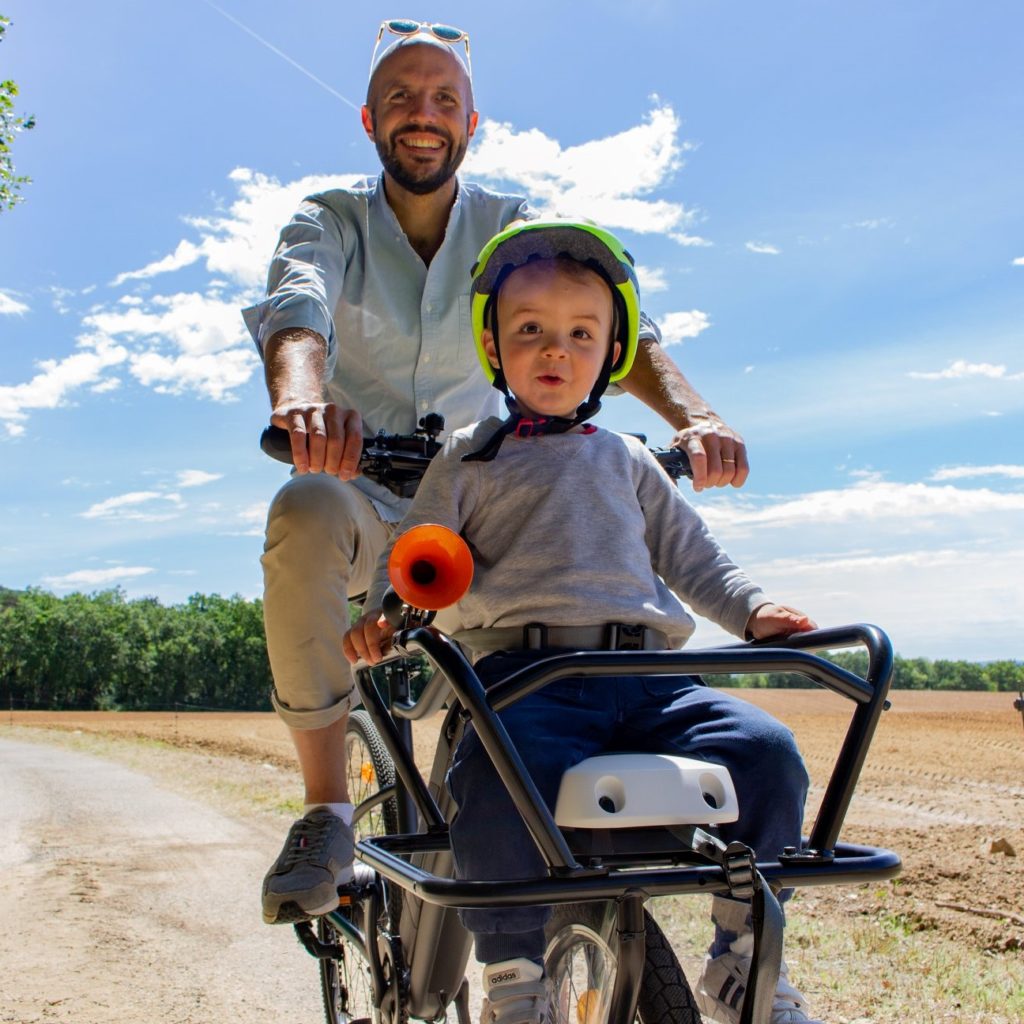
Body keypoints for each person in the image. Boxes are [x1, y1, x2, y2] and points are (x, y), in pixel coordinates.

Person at [243, 20, 749, 931]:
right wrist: (305, 402)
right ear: (368, 119)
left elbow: (611, 322)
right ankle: (324, 812)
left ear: (472, 123)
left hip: (479, 495)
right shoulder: (330, 216)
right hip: (363, 488)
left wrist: (695, 418)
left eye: (444, 98)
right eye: (401, 96)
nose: (422, 114)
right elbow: (298, 303)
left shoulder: (513, 226)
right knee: (306, 509)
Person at [344, 220, 824, 1024]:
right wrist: (390, 614)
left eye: (579, 333)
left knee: (766, 753)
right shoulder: (469, 456)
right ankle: (514, 979)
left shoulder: (630, 460)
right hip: (523, 687)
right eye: (530, 331)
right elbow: (418, 556)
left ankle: (746, 959)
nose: (554, 350)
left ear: (610, 352)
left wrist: (752, 611)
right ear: (494, 348)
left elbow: (696, 561)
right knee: (487, 782)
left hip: (652, 686)